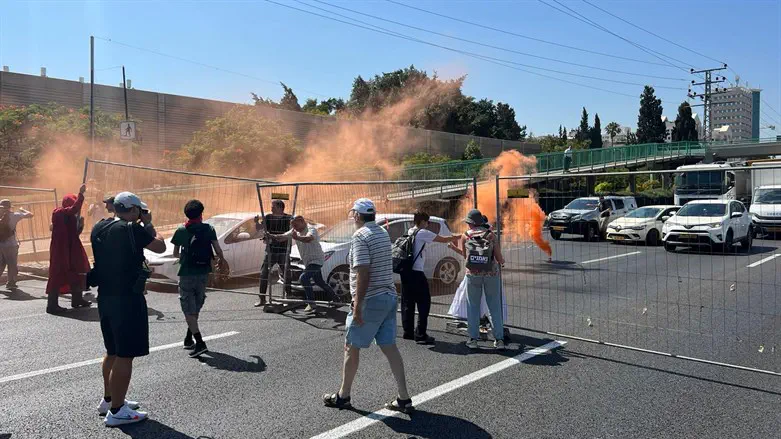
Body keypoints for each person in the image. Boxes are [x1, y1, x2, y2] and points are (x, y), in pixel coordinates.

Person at [322, 198, 413, 413]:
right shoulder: (382, 232)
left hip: (370, 299)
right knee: (390, 347)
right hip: (389, 296)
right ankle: (404, 398)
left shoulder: (360, 236)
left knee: (351, 348)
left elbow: (363, 271)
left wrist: (357, 305)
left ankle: (343, 396)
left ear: (357, 216)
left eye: (352, 213)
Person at [90, 192, 166, 427]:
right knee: (125, 354)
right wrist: (149, 223)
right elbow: (160, 246)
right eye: (139, 211)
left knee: (112, 350)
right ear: (133, 210)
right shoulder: (133, 229)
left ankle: (110, 399)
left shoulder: (99, 227)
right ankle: (117, 411)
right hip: (127, 298)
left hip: (105, 296)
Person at [171, 200, 228, 357]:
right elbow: (218, 250)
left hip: (186, 273)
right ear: (201, 213)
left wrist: (184, 256)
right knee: (196, 304)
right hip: (204, 272)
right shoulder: (209, 229)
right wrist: (221, 262)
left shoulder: (181, 230)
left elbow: (175, 253)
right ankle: (189, 338)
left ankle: (200, 342)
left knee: (187, 307)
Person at [400, 211, 459, 344]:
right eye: (427, 222)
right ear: (422, 222)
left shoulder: (410, 231)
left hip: (406, 273)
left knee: (407, 303)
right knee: (424, 303)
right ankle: (421, 334)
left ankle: (408, 332)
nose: (427, 225)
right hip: (417, 273)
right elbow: (443, 240)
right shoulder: (422, 233)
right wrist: (459, 237)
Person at [451, 209, 506, 350]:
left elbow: (465, 256)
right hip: (491, 274)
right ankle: (499, 340)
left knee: (473, 306)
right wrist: (501, 261)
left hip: (473, 275)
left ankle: (473, 339)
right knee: (494, 306)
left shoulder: (466, 236)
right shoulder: (491, 235)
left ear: (470, 223)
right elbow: (499, 258)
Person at [267, 215, 335, 312]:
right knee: (319, 282)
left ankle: (311, 303)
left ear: (302, 221)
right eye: (292, 225)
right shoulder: (295, 231)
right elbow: (282, 237)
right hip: (308, 261)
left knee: (303, 278)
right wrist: (271, 236)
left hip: (317, 260)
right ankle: (336, 299)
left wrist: (297, 237)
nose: (294, 227)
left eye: (295, 225)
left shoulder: (311, 229)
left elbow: (308, 239)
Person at [46, 185, 92, 313]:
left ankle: (77, 299)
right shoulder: (59, 212)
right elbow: (73, 209)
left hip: (72, 247)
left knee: (76, 271)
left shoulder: (72, 217)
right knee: (57, 274)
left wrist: (80, 225)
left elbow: (74, 233)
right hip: (60, 249)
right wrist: (81, 194)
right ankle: (52, 305)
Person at [253, 200, 292, 307]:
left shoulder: (288, 218)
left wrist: (276, 237)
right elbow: (260, 228)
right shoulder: (268, 217)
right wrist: (256, 222)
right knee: (264, 273)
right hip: (270, 251)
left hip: (284, 251)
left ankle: (289, 296)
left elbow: (292, 232)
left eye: (273, 207)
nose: (271, 208)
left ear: (280, 208)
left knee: (286, 274)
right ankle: (262, 298)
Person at [0, 199, 33, 290]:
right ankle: (11, 282)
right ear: (10, 207)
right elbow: (30, 215)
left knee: (1, 264)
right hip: (11, 245)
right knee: (12, 264)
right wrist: (22, 210)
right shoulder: (14, 215)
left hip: (1, 245)